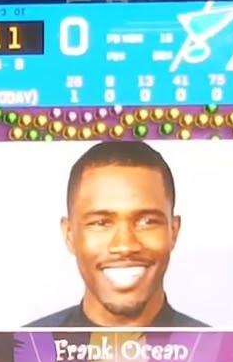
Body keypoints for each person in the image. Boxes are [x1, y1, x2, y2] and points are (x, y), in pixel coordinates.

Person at [27, 141, 207, 328]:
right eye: (101, 223)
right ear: (69, 234)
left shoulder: (218, 346)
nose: (125, 246)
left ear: (173, 231)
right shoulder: (24, 345)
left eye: (147, 222)